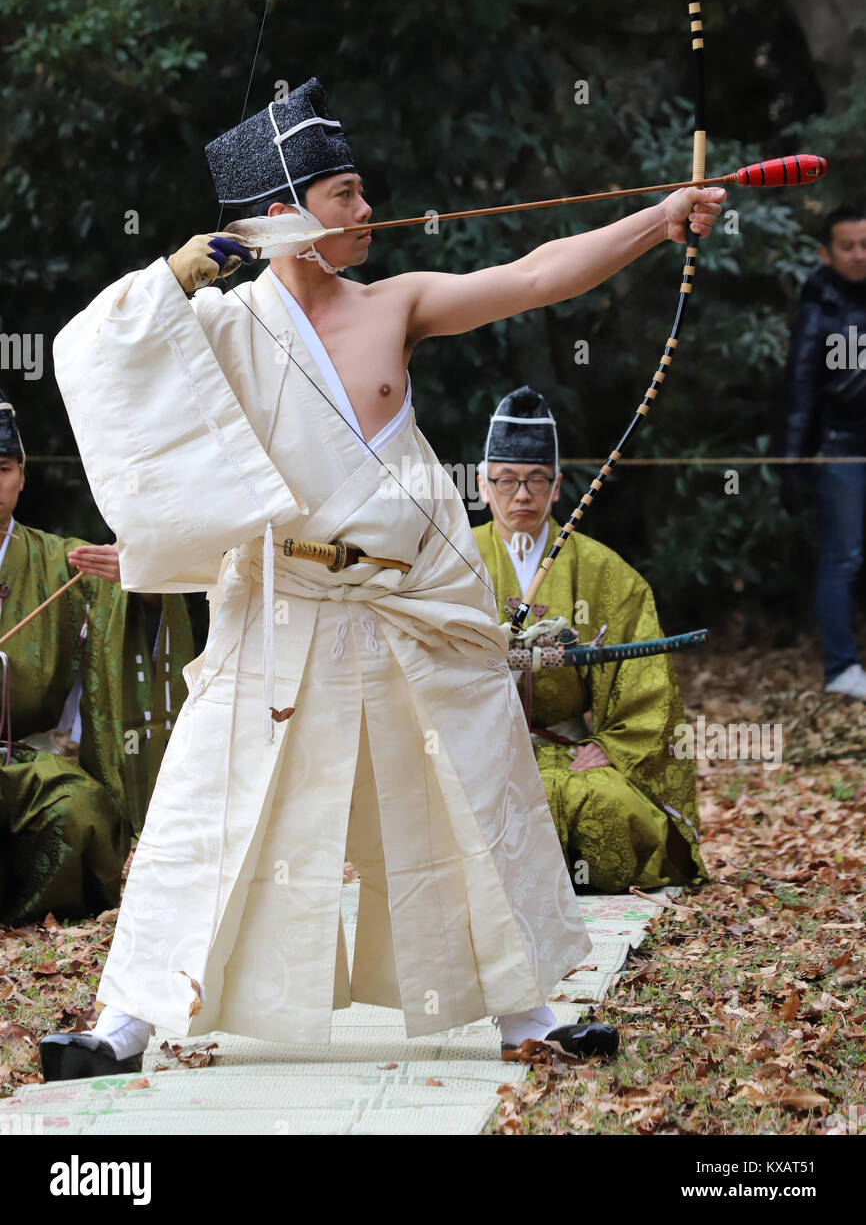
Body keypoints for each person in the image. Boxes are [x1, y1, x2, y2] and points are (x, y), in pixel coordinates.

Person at [43, 77, 724, 1078]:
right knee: (206, 804)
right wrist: (177, 275)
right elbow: (97, 357)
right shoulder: (225, 328)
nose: (368, 212)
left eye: (363, 194)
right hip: (283, 610)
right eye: (345, 195)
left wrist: (657, 221)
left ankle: (525, 1014)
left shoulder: (393, 305)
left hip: (403, 605)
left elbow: (534, 273)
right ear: (285, 214)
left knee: (471, 785)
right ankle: (122, 1024)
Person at [473, 386, 707, 893]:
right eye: (506, 480)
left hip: (564, 747)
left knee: (615, 809)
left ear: (557, 487)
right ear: (482, 484)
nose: (521, 496)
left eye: (536, 481)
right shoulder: (452, 561)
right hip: (479, 747)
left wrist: (613, 744)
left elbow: (647, 683)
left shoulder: (602, 570)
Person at [0, 391, 193, 926]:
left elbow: (136, 606)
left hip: (23, 762)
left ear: (22, 476)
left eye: (2, 468)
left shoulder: (62, 562)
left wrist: (141, 577)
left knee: (80, 809)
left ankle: (38, 918)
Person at [780, 205, 866, 699]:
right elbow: (800, 391)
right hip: (841, 448)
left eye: (864, 245)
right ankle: (841, 667)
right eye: (847, 246)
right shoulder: (820, 305)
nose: (857, 255)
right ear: (826, 253)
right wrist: (791, 463)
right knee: (843, 557)